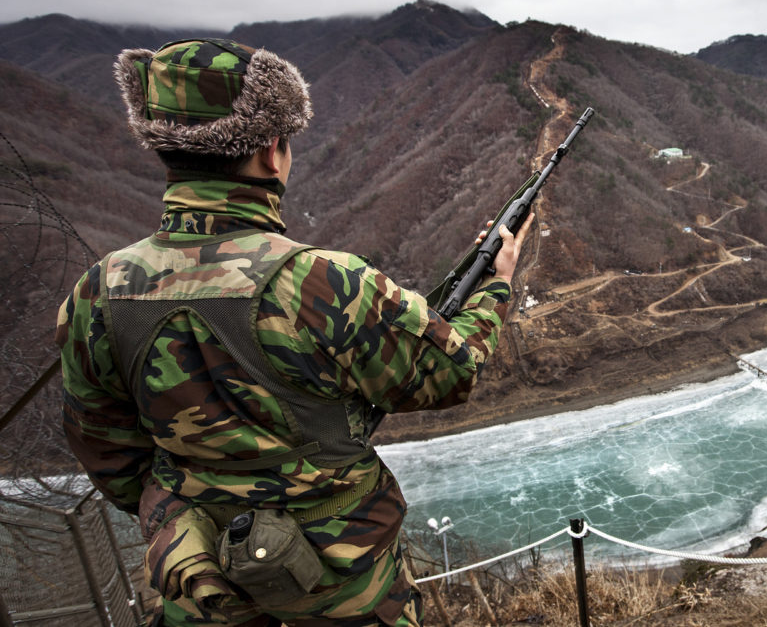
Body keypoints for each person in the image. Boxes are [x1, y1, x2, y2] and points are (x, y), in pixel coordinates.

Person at [55, 38, 530, 626]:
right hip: (343, 587)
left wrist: (187, 517)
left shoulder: (97, 292)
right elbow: (447, 375)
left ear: (167, 153)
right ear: (272, 151)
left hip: (202, 588)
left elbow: (102, 446)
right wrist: (496, 286)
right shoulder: (322, 281)